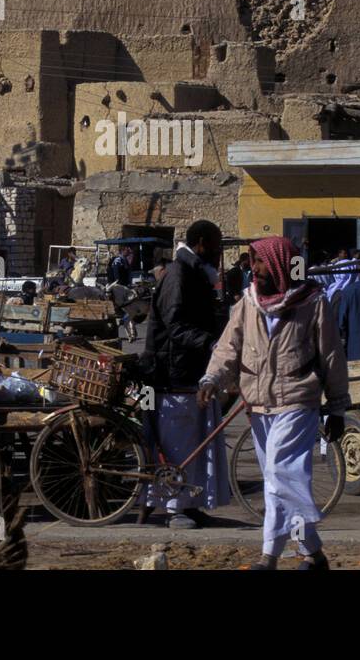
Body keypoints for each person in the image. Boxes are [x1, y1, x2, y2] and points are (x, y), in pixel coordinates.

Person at [200, 235, 349, 569]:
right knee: (276, 480)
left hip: (297, 401)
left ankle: (269, 556)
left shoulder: (313, 302)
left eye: (261, 261)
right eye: (253, 262)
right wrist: (212, 378)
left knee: (281, 472)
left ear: (280, 263)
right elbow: (227, 348)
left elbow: (332, 356)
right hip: (258, 405)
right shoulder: (247, 303)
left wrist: (338, 406)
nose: (255, 268)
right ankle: (312, 551)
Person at [138, 219, 229, 529]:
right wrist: (210, 341)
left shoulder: (193, 274)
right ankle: (176, 507)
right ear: (201, 243)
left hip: (187, 370)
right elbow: (175, 327)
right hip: (172, 373)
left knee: (190, 441)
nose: (218, 255)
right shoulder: (179, 275)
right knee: (178, 442)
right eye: (216, 248)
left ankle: (187, 503)